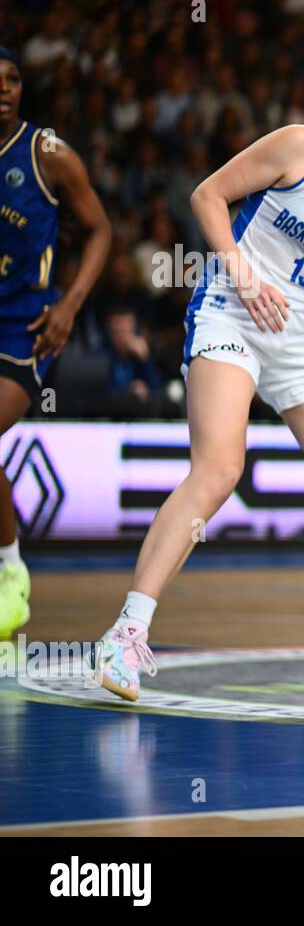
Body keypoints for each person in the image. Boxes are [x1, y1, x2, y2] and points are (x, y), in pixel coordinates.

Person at [92, 47, 304, 700]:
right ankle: (126, 632)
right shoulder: (299, 146)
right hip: (231, 311)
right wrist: (241, 269)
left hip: (303, 337)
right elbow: (208, 196)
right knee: (220, 467)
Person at [0, 46, 111, 640]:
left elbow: (100, 230)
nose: (6, 89)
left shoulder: (48, 155)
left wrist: (68, 305)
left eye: (13, 79)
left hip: (23, 327)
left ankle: (11, 574)